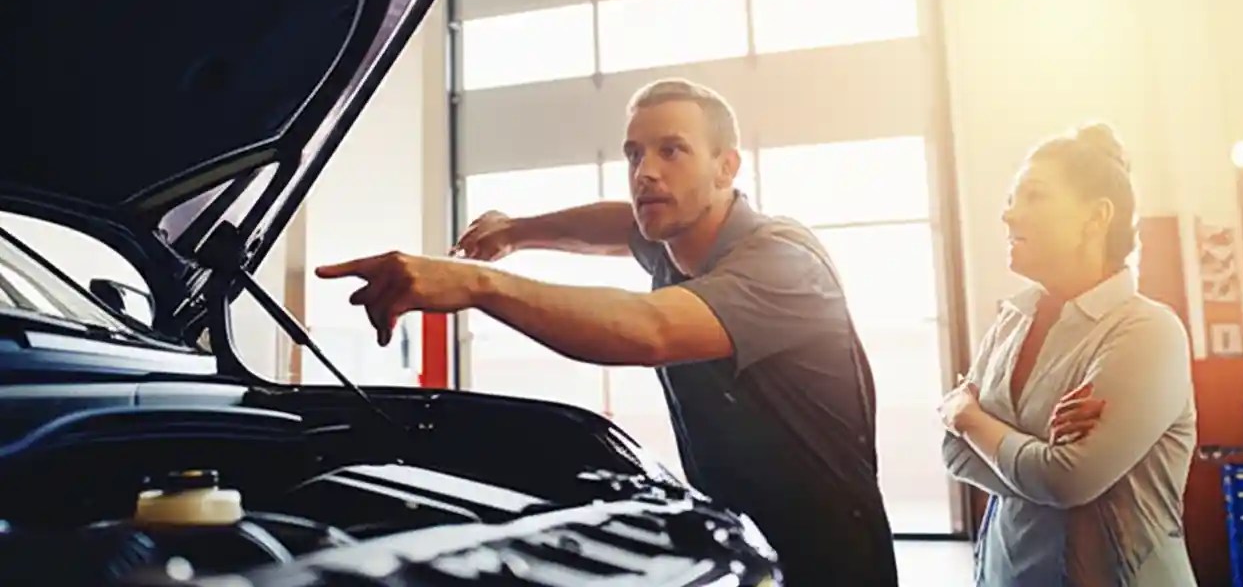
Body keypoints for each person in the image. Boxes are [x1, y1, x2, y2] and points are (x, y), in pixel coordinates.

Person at [315, 78, 898, 585]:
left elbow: (650, 331)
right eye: (634, 154)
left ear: (727, 166)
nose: (645, 173)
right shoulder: (673, 240)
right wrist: (517, 230)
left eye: (672, 150)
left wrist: (478, 284)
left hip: (830, 559)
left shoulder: (783, 263)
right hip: (737, 541)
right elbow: (615, 225)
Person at [938, 124, 1197, 586]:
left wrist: (970, 418)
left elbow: (1066, 481)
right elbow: (955, 456)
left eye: (1033, 196)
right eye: (1012, 199)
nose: (1008, 215)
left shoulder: (1148, 331)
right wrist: (1036, 458)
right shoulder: (1011, 321)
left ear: (1096, 217)